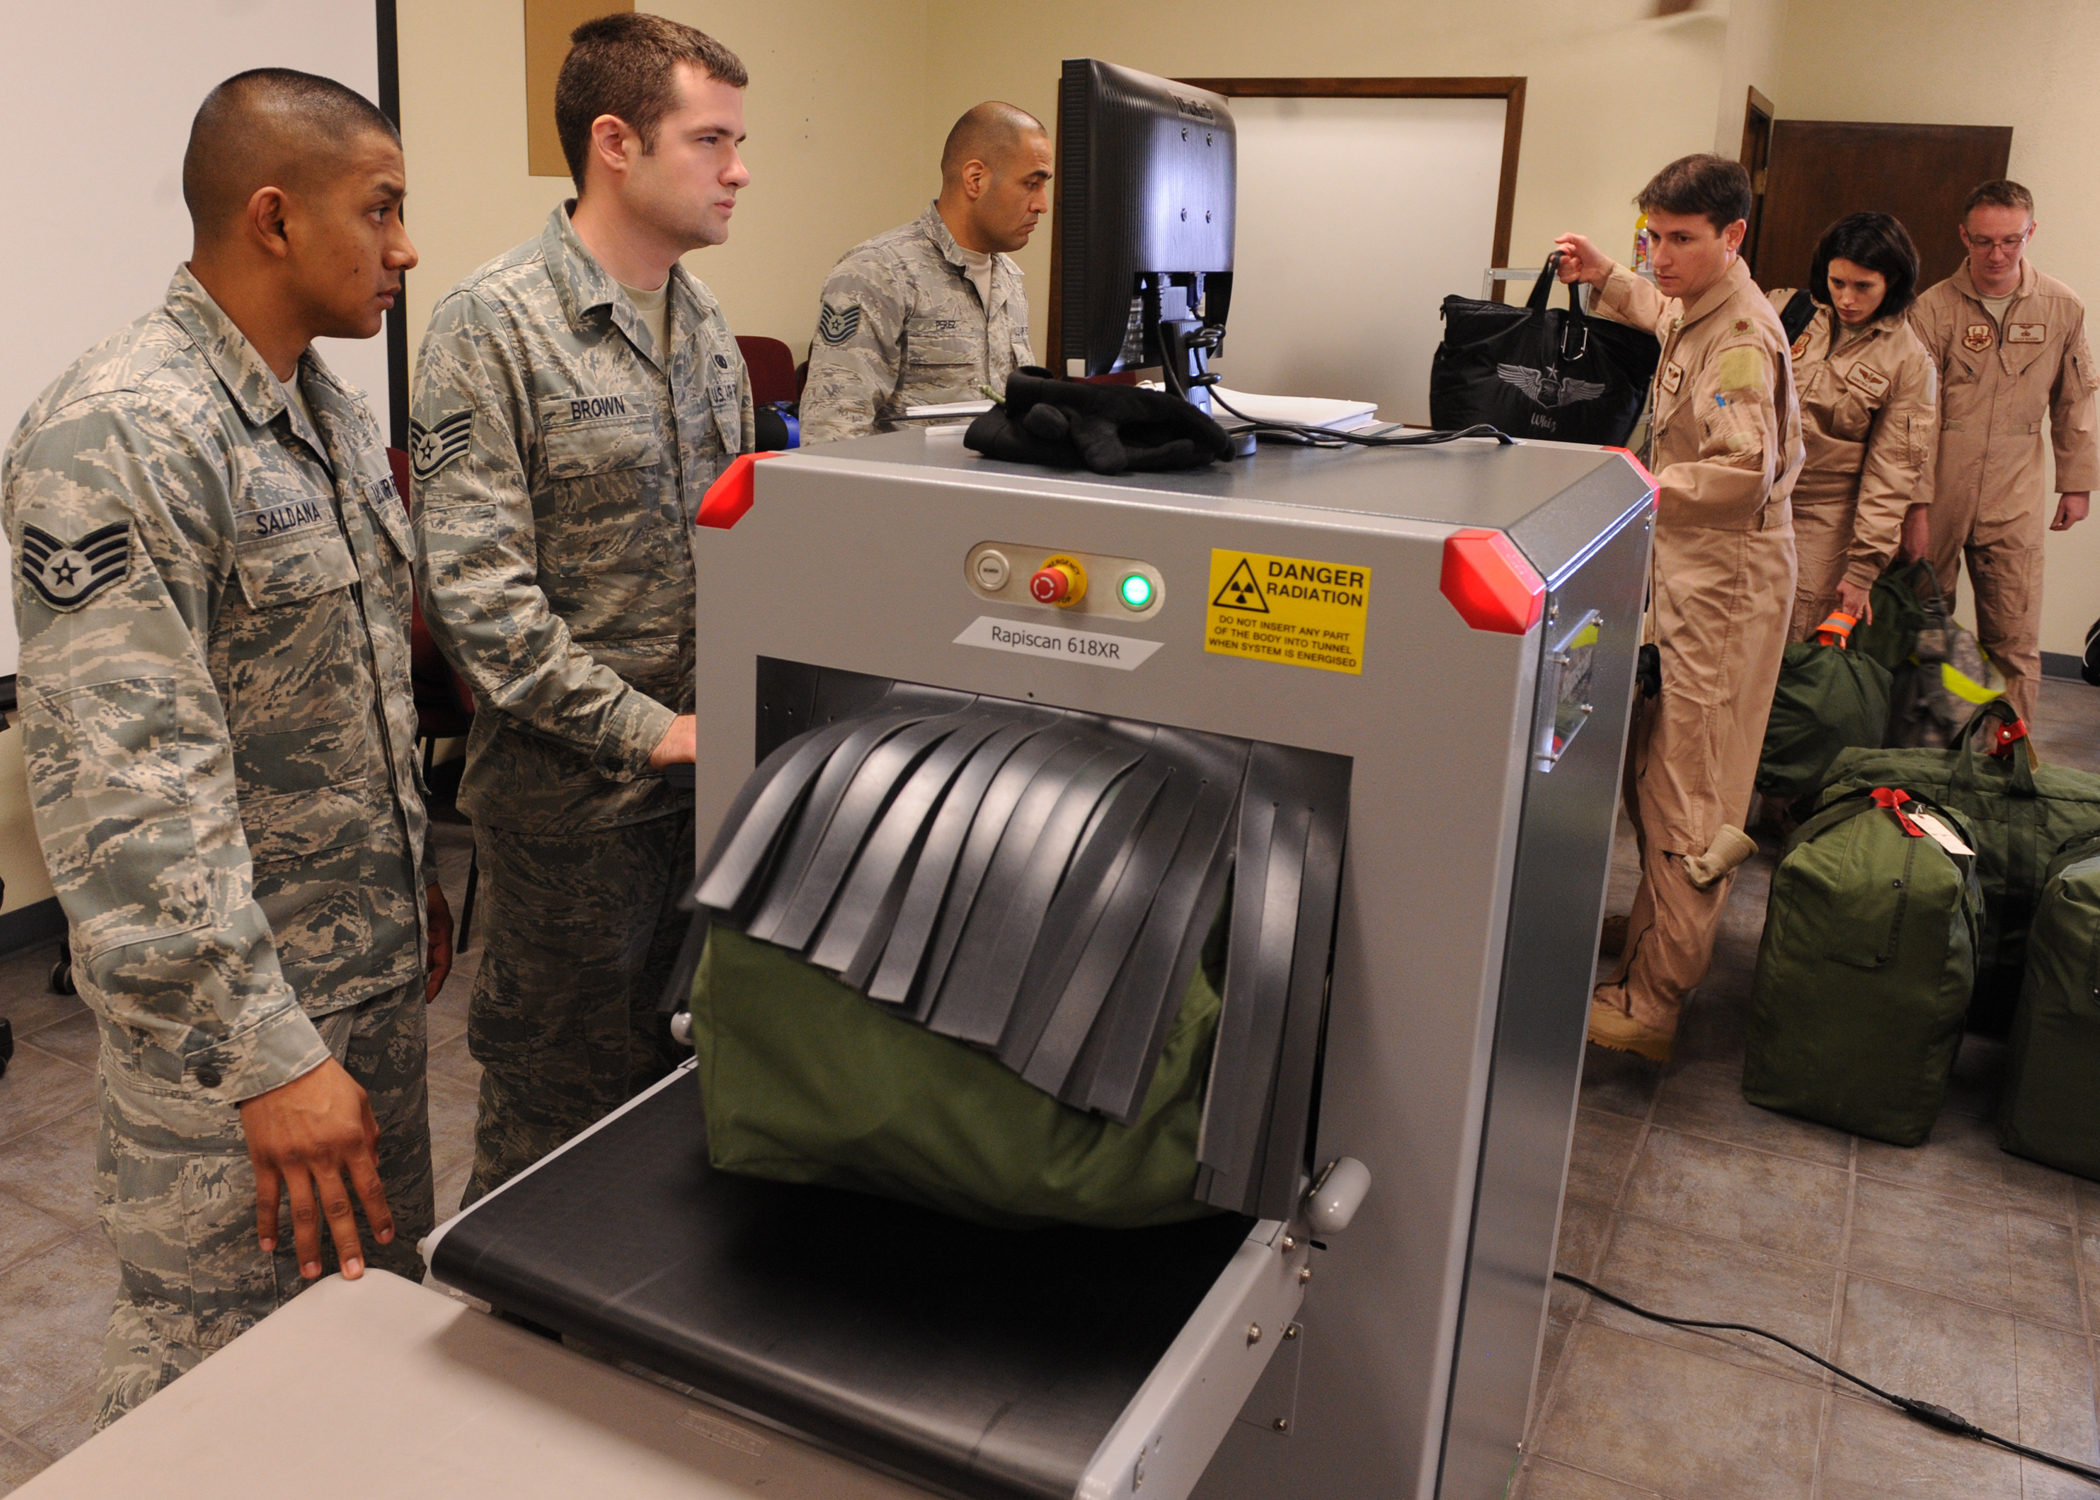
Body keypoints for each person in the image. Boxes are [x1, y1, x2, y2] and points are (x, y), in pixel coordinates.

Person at [1, 69, 449, 1425]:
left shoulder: (320, 408)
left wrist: (405, 877)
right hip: (236, 1065)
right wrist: (265, 1054)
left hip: (357, 1016)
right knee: (212, 1402)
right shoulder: (122, 430)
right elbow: (127, 800)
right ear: (272, 217)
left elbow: (340, 695)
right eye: (380, 211)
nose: (405, 247)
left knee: (364, 1370)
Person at [412, 13, 754, 1204]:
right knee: (550, 1135)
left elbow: (743, 553)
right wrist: (649, 732)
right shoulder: (491, 325)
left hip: (707, 798)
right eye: (710, 140)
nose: (738, 169)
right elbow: (477, 601)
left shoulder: (706, 327)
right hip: (574, 816)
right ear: (616, 141)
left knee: (680, 1099)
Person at [1554, 155, 1803, 1062]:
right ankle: (1659, 936)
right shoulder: (1701, 305)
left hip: (1725, 586)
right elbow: (1665, 316)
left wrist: (1638, 481)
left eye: (1680, 240)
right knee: (1656, 767)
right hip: (1689, 573)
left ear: (1732, 237)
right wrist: (1607, 276)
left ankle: (1655, 1002)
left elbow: (1745, 470)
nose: (1660, 256)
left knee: (1691, 790)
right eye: (1650, 236)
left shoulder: (1740, 334)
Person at [1908, 179, 2098, 725]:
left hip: (2015, 484)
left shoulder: (2063, 307)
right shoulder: (1933, 309)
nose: (1997, 254)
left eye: (2011, 241)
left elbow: (2075, 399)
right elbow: (1915, 418)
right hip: (1941, 479)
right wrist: (1915, 505)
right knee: (1925, 625)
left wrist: (2077, 484)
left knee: (2014, 633)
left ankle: (2010, 762)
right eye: (1985, 241)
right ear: (1963, 236)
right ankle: (1922, 751)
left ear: (2030, 233)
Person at [799, 102, 1050, 443]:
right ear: (975, 179)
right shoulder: (878, 272)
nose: (1042, 204)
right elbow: (833, 432)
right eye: (1031, 184)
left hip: (990, 489)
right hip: (907, 492)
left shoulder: (1008, 278)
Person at [1766, 212, 1937, 642]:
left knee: (1796, 643)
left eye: (1863, 286)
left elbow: (1892, 474)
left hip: (1822, 516)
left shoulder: (1908, 361)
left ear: (1893, 283)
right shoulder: (1786, 309)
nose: (1846, 299)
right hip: (1751, 498)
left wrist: (1863, 568)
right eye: (1837, 282)